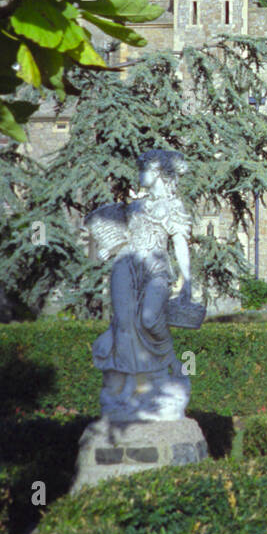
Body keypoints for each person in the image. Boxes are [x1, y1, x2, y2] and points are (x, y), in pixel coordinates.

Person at [84, 148, 203, 421]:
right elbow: (119, 237)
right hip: (126, 266)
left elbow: (180, 244)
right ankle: (129, 388)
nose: (140, 175)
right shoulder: (134, 206)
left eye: (145, 169)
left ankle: (169, 364)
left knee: (149, 319)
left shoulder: (173, 206)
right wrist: (109, 250)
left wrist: (187, 281)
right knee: (124, 325)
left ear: (159, 173)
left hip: (156, 269)